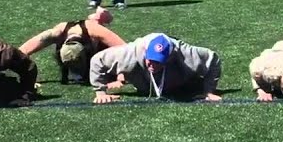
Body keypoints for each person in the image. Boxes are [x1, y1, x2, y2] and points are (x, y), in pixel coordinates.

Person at [89, 33, 222, 104]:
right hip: (143, 81)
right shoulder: (129, 53)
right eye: (150, 60)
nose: (152, 65)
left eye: (158, 62)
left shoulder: (185, 52)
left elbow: (213, 59)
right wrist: (100, 93)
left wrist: (209, 91)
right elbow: (97, 61)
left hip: (179, 82)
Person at [18, 7, 125, 85]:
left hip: (96, 44)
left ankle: (100, 17)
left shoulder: (96, 30)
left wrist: (121, 76)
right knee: (80, 76)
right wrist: (28, 81)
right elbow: (19, 52)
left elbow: (126, 50)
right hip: (82, 41)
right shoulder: (56, 33)